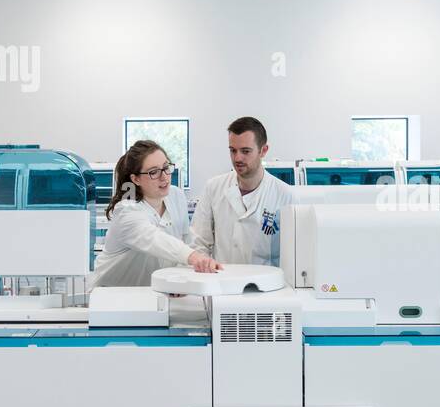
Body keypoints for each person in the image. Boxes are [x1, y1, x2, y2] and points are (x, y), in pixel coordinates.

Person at [89, 140, 219, 288]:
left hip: (151, 293)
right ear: (135, 179)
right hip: (112, 295)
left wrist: (181, 279)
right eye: (153, 172)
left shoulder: (176, 196)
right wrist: (193, 257)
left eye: (165, 167)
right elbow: (153, 238)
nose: (164, 177)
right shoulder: (127, 210)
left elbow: (185, 241)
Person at [192, 116, 291, 266]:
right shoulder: (213, 187)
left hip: (266, 285)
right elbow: (199, 241)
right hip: (222, 281)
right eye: (233, 150)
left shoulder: (285, 195)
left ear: (263, 150)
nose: (237, 158)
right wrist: (204, 268)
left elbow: (293, 252)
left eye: (245, 151)